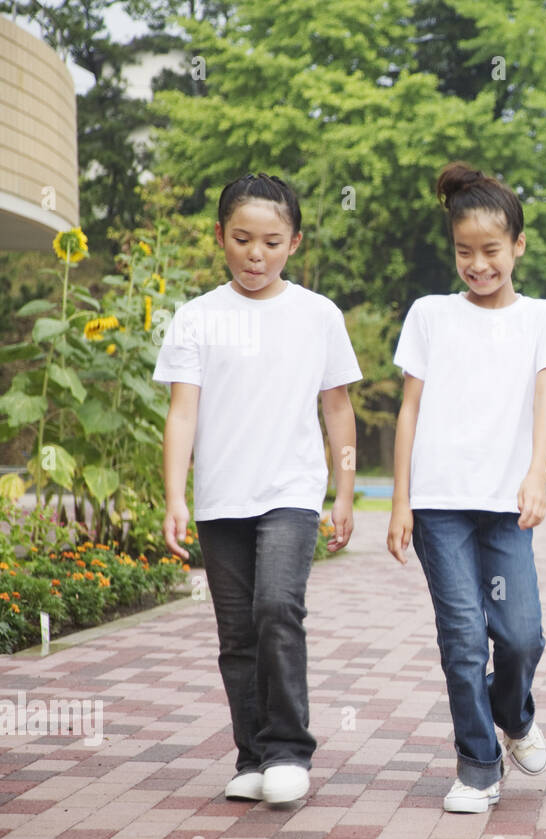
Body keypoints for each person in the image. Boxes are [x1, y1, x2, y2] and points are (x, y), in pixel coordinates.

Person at [387, 163, 546, 814]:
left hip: (506, 506)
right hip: (438, 504)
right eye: (464, 252)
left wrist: (537, 476)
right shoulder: (430, 315)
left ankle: (517, 715)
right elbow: (409, 410)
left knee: (522, 636)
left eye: (491, 251)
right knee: (464, 637)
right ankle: (477, 764)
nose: (477, 265)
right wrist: (399, 500)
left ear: (518, 247)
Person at [157, 172, 361, 805]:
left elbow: (338, 410)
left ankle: (289, 750)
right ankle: (251, 756)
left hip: (291, 493)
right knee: (236, 633)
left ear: (294, 242)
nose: (256, 254)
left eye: (271, 242)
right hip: (222, 498)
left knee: (278, 608)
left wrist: (345, 492)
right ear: (221, 236)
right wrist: (175, 496)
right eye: (242, 239)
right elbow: (182, 411)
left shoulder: (317, 315)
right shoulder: (196, 318)